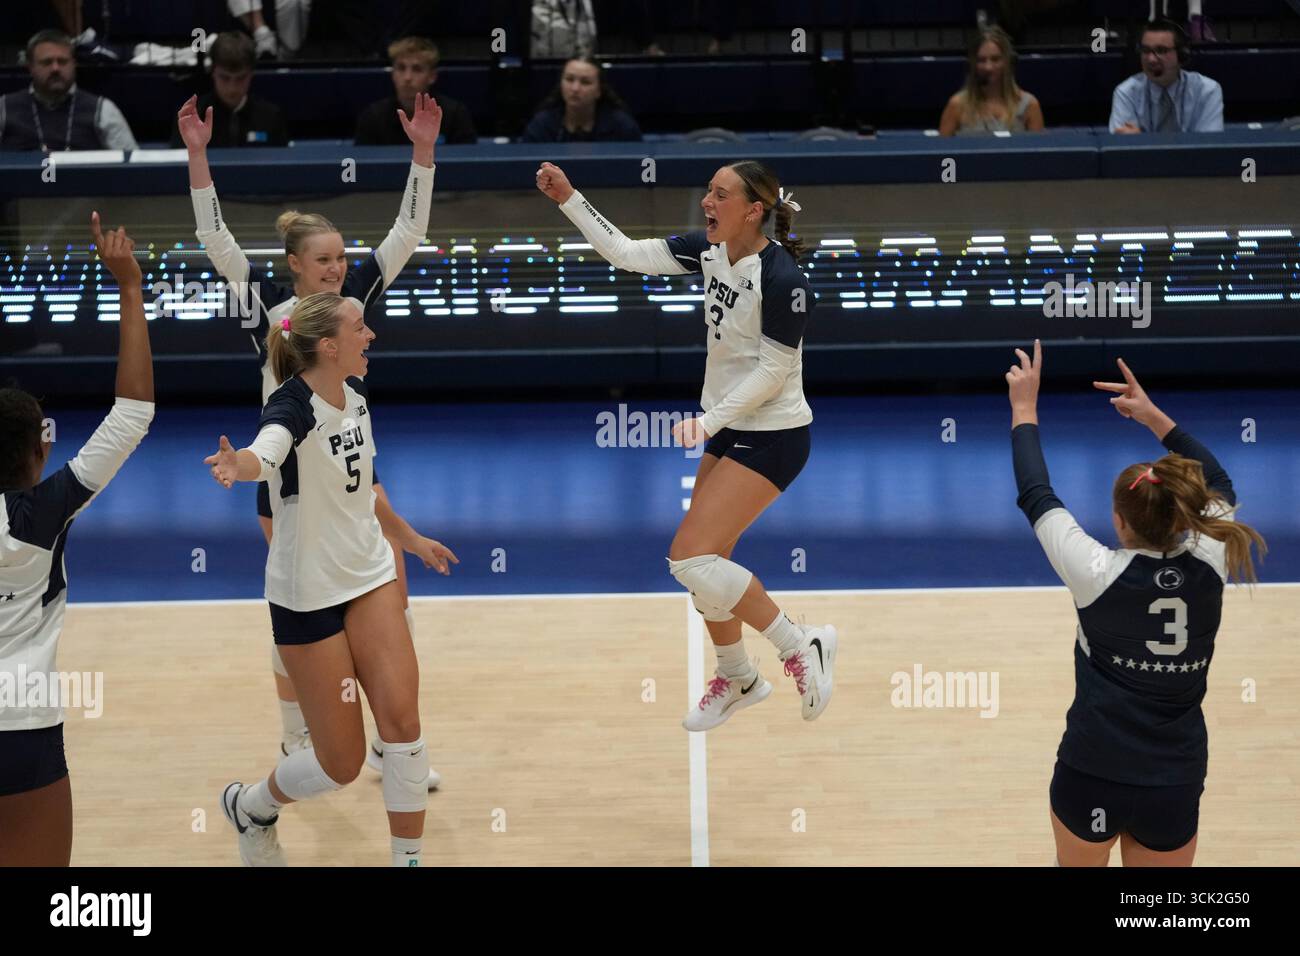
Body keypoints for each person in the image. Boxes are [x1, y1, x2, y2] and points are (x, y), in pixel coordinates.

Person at [177, 91, 445, 788]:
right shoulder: (272, 309)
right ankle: (299, 727)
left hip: (355, 476)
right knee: (308, 613)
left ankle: (395, 740)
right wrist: (197, 156)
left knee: (393, 602)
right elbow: (216, 243)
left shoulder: (356, 301)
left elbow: (408, 231)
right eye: (323, 260)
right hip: (286, 488)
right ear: (294, 265)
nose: (336, 269)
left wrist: (423, 153)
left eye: (340, 259)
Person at [536, 159, 836, 731]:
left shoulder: (784, 281)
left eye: (720, 194)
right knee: (707, 565)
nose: (707, 202)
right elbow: (624, 252)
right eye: (707, 191)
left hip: (774, 435)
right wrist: (570, 197)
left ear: (753, 209)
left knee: (689, 558)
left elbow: (774, 371)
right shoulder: (708, 250)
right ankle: (738, 675)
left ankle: (801, 645)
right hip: (730, 429)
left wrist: (707, 420)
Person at [207, 293, 455, 867]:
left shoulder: (359, 395)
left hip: (368, 576)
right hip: (307, 596)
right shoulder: (289, 407)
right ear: (329, 346)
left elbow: (363, 487)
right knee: (339, 764)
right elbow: (263, 456)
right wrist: (235, 465)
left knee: (404, 728)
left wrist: (409, 539)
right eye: (360, 328)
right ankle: (252, 806)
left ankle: (408, 860)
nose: (371, 336)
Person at [1006, 341, 1267, 866]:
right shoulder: (1212, 555)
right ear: (1183, 517)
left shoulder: (1095, 572)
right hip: (1173, 778)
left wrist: (1025, 408)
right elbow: (1219, 480)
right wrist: (1154, 417)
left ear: (1120, 523)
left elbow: (1036, 491)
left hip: (1092, 769)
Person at [0, 213, 154, 865]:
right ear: (40, 450)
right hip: (22, 721)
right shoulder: (47, 509)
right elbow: (133, 412)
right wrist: (128, 288)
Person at [0, 30, 138, 152]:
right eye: (47, 62)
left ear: (74, 64)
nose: (55, 69)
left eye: (62, 61)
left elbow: (131, 165)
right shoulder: (4, 108)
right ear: (30, 67)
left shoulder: (103, 110)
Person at [170, 32, 288, 148]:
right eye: (224, 78)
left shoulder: (271, 117)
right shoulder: (190, 119)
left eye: (240, 78)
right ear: (212, 71)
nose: (232, 88)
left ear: (251, 74)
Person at [355, 37, 477, 146]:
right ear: (393, 74)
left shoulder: (455, 115)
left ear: (432, 76)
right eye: (401, 68)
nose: (407, 77)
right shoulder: (372, 117)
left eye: (417, 69)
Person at [1110, 19, 1223, 133]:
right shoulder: (1127, 93)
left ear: (1182, 55)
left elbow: (1208, 145)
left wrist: (1142, 140)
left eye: (1161, 50)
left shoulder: (1207, 91)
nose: (1151, 59)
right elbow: (1124, 146)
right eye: (1145, 50)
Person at [939, 26, 1043, 136]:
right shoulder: (957, 105)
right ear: (973, 64)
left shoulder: (1029, 105)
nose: (988, 67)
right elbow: (943, 150)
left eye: (995, 59)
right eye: (981, 60)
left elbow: (1038, 150)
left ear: (1007, 62)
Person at [520, 57, 641, 143]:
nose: (575, 88)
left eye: (585, 82)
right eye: (569, 79)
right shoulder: (542, 126)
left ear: (599, 91)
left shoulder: (622, 127)